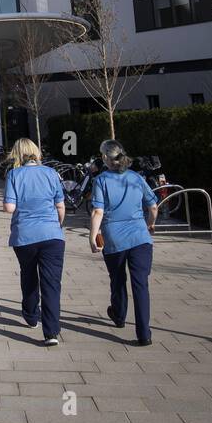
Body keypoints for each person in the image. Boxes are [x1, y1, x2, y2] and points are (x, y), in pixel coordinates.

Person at [89, 139, 159, 346]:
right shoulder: (136, 178)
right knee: (141, 285)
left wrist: (93, 236)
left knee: (117, 279)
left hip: (114, 237)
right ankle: (144, 333)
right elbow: (153, 206)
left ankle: (119, 315)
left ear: (104, 158)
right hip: (140, 237)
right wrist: (149, 225)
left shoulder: (101, 180)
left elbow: (98, 211)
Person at [2, 138, 66, 345]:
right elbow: (60, 205)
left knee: (28, 276)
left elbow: (9, 208)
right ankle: (52, 332)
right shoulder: (51, 173)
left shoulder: (14, 174)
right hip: (52, 234)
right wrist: (57, 224)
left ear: (17, 155)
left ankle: (30, 315)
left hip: (25, 235)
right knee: (52, 283)